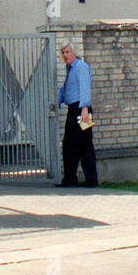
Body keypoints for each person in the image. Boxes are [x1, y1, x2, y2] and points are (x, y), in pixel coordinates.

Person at [56, 43, 97, 188]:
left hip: (81, 109)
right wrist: (57, 100)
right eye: (63, 52)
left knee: (85, 144)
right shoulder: (70, 69)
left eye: (67, 52)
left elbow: (85, 87)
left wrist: (84, 108)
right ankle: (70, 178)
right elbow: (66, 89)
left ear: (74, 53)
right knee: (69, 144)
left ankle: (91, 180)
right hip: (73, 109)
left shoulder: (81, 67)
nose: (65, 55)